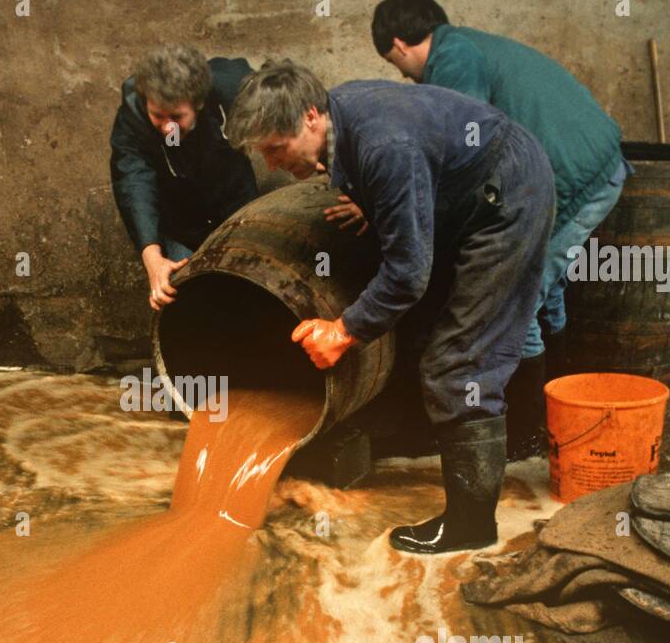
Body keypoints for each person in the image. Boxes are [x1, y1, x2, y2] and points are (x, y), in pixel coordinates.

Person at [226, 60, 554, 554]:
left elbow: (407, 275)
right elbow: (413, 166)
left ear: (311, 116)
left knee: (460, 362)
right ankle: (446, 445)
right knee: (428, 334)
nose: (270, 164)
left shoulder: (383, 145)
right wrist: (375, 201)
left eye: (276, 148)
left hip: (506, 200)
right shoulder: (347, 118)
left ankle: (470, 524)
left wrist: (343, 330)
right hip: (468, 191)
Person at [371, 0, 629, 457]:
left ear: (400, 45)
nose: (403, 77)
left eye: (394, 65)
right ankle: (560, 406)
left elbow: (456, 145)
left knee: (518, 298)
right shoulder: (465, 44)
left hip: (573, 178)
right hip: (595, 166)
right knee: (545, 291)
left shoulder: (454, 61)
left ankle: (529, 432)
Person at [109, 44, 259, 311]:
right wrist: (151, 255)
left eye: (177, 117)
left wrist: (340, 181)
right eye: (158, 116)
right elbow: (132, 179)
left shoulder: (234, 88)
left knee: (248, 292)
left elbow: (297, 117)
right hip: (181, 220)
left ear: (199, 103)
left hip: (236, 206)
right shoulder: (133, 113)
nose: (168, 128)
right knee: (191, 299)